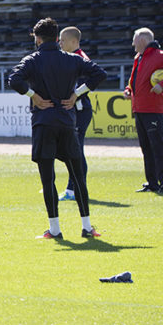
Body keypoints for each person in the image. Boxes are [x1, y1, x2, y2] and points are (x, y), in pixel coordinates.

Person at [7, 17, 108, 239]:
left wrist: (34, 96)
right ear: (57, 37)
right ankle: (87, 227)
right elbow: (100, 74)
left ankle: (55, 229)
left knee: (47, 178)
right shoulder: (72, 59)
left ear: (38, 38)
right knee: (77, 176)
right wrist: (76, 94)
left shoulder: (32, 60)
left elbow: (14, 79)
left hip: (44, 123)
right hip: (66, 121)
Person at [123, 27, 163, 193]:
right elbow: (133, 80)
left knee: (157, 146)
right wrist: (129, 90)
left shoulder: (160, 55)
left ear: (142, 40)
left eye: (134, 39)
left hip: (154, 109)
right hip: (140, 108)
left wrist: (162, 86)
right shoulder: (139, 57)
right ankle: (152, 183)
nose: (132, 43)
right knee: (146, 148)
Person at [58, 26, 93, 201]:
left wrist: (75, 95)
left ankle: (75, 189)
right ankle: (74, 188)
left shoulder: (80, 58)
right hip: (76, 110)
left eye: (63, 40)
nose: (60, 43)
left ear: (73, 41)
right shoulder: (71, 57)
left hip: (81, 110)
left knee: (76, 150)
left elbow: (91, 80)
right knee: (73, 149)